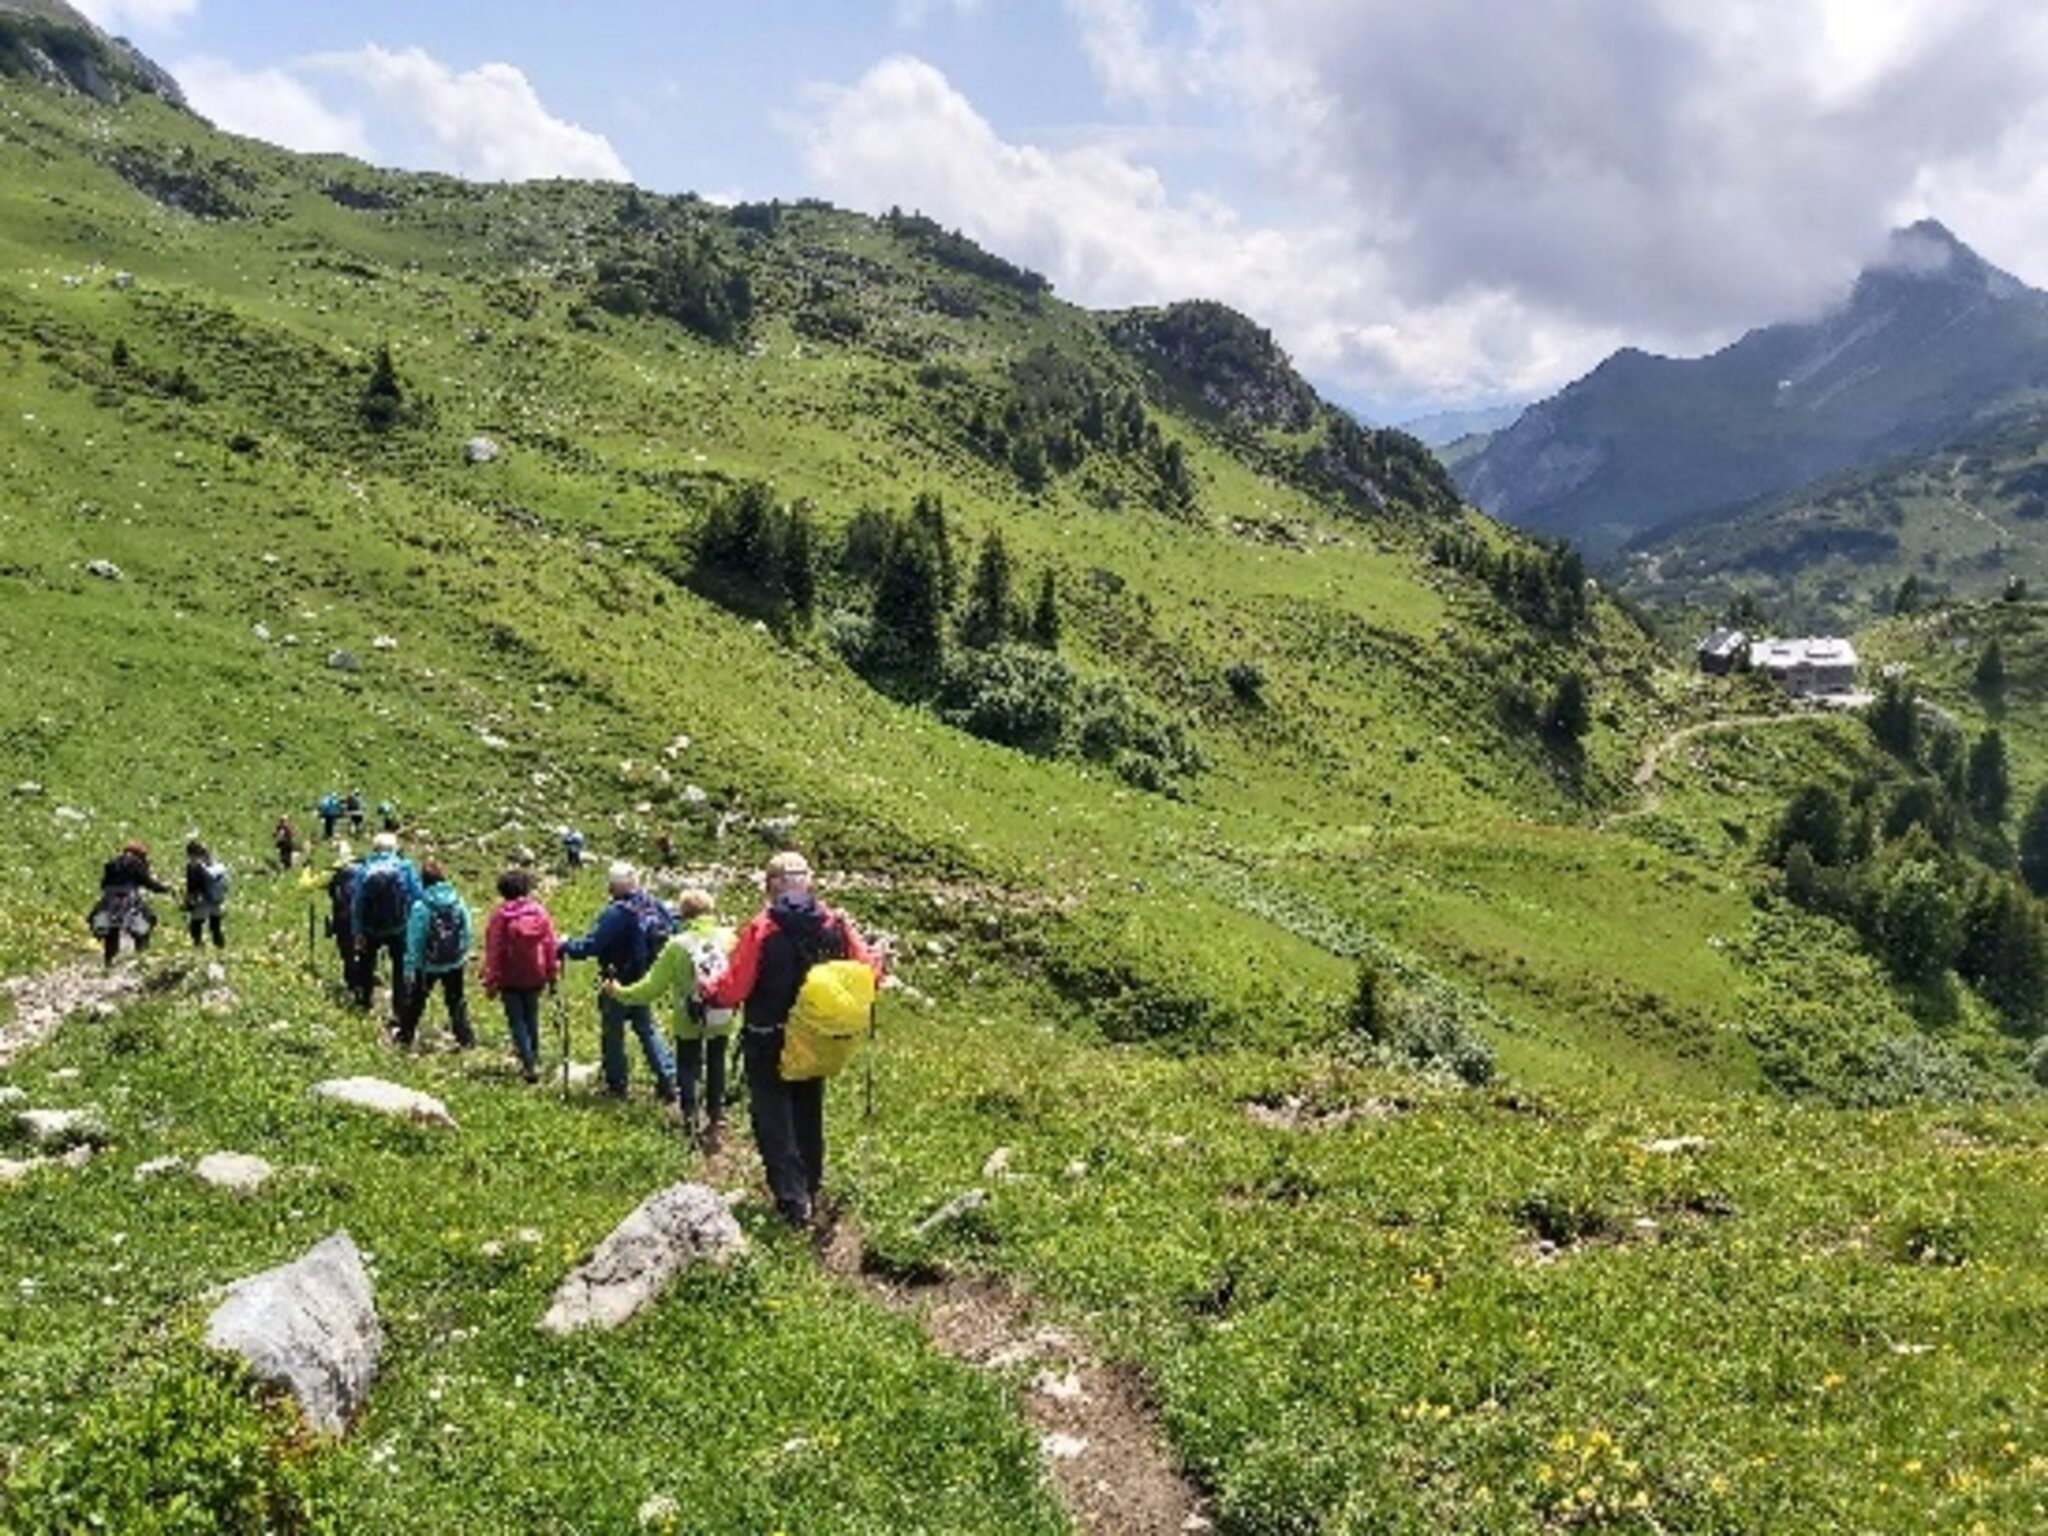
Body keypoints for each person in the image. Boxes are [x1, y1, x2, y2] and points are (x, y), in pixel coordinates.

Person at [700, 851, 882, 1228]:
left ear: (771, 886)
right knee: (808, 1111)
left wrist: (707, 989)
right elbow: (868, 973)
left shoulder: (762, 928)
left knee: (772, 1117)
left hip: (768, 1038)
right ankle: (811, 1186)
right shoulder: (835, 923)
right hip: (816, 1036)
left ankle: (792, 1200)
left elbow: (733, 990)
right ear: (808, 882)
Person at [608, 888, 736, 1148]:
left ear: (683, 914)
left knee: (687, 1064)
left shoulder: (677, 945)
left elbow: (651, 988)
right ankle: (716, 1114)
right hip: (722, 1013)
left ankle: (690, 1116)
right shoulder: (729, 938)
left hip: (689, 1016)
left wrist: (619, 992)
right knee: (716, 1061)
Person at [561, 861, 678, 1107]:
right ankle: (668, 1079)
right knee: (646, 1028)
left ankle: (617, 1084)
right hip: (645, 977)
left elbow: (590, 946)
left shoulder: (616, 913)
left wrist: (564, 945)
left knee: (613, 1033)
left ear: (613, 886)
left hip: (616, 980)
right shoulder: (653, 904)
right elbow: (673, 930)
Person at [481, 868, 561, 1083]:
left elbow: (494, 950)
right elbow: (550, 945)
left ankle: (528, 1064)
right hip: (536, 973)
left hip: (510, 976)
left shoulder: (500, 916)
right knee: (531, 1016)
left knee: (516, 1020)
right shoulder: (539, 912)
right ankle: (534, 1056)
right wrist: (552, 973)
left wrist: (491, 980)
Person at [396, 860, 475, 1050]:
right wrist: (463, 953)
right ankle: (466, 1038)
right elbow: (467, 929)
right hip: (454, 962)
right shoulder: (458, 901)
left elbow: (414, 941)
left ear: (423, 881)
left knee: (416, 1002)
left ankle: (405, 1037)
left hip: (427, 965)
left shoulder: (421, 907)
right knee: (456, 1001)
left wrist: (410, 966)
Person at [350, 831, 422, 1020]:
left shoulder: (364, 869)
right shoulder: (405, 867)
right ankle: (401, 1010)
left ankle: (364, 1003)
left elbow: (357, 903)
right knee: (401, 968)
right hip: (399, 927)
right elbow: (417, 897)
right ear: (394, 848)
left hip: (370, 928)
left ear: (375, 848)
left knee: (366, 965)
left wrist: (357, 931)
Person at [91, 840, 170, 967]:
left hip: (108, 901)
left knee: (111, 931)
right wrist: (165, 889)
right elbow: (148, 883)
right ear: (139, 855)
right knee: (145, 925)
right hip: (128, 900)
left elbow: (103, 885)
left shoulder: (111, 863)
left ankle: (108, 962)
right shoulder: (136, 863)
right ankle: (141, 958)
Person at [319, 842, 367, 1002]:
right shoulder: (365, 871)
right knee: (364, 951)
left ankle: (353, 985)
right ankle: (364, 983)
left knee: (347, 953)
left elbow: (331, 895)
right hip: (365, 918)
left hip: (343, 919)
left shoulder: (337, 878)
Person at [182, 839, 228, 949]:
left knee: (196, 925)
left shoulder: (193, 866)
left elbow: (192, 886)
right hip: (216, 900)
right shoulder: (213, 864)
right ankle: (220, 947)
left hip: (202, 901)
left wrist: (189, 901)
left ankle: (198, 947)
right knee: (215, 927)